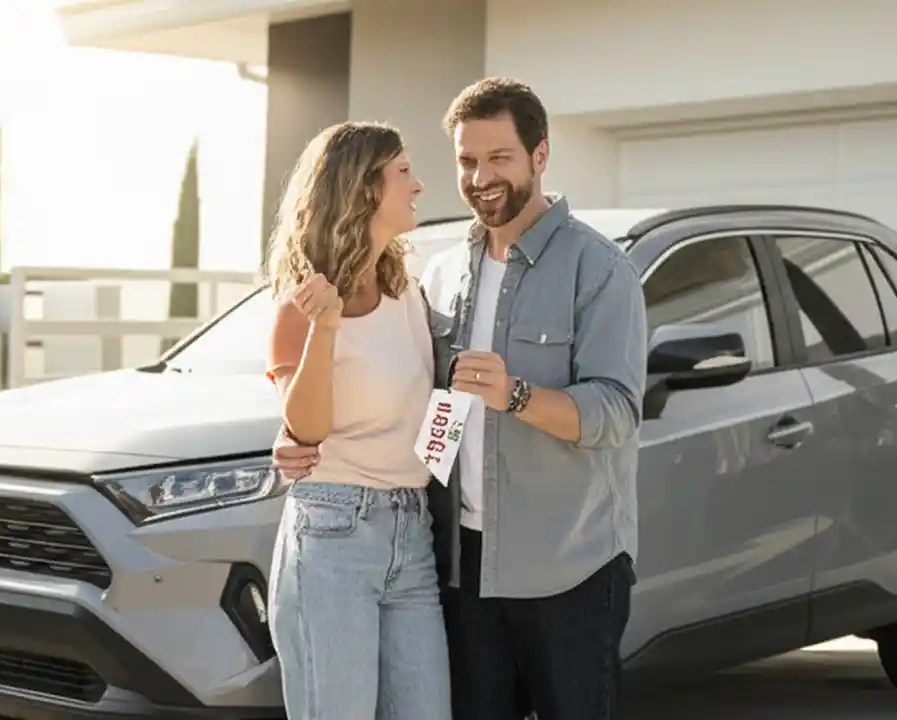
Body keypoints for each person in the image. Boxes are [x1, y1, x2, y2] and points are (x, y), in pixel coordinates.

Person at [272, 78, 648, 720]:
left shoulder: (600, 269)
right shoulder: (438, 277)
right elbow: (419, 403)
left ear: (540, 154)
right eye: (466, 161)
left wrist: (518, 394)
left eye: (498, 157)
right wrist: (304, 441)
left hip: (568, 567)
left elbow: (616, 413)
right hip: (456, 565)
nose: (479, 177)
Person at [263, 120, 452, 719]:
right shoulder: (301, 304)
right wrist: (327, 325)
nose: (419, 185)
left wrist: (469, 398)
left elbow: (426, 423)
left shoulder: (408, 292)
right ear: (364, 187)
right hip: (333, 535)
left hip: (411, 531)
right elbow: (307, 430)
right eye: (403, 172)